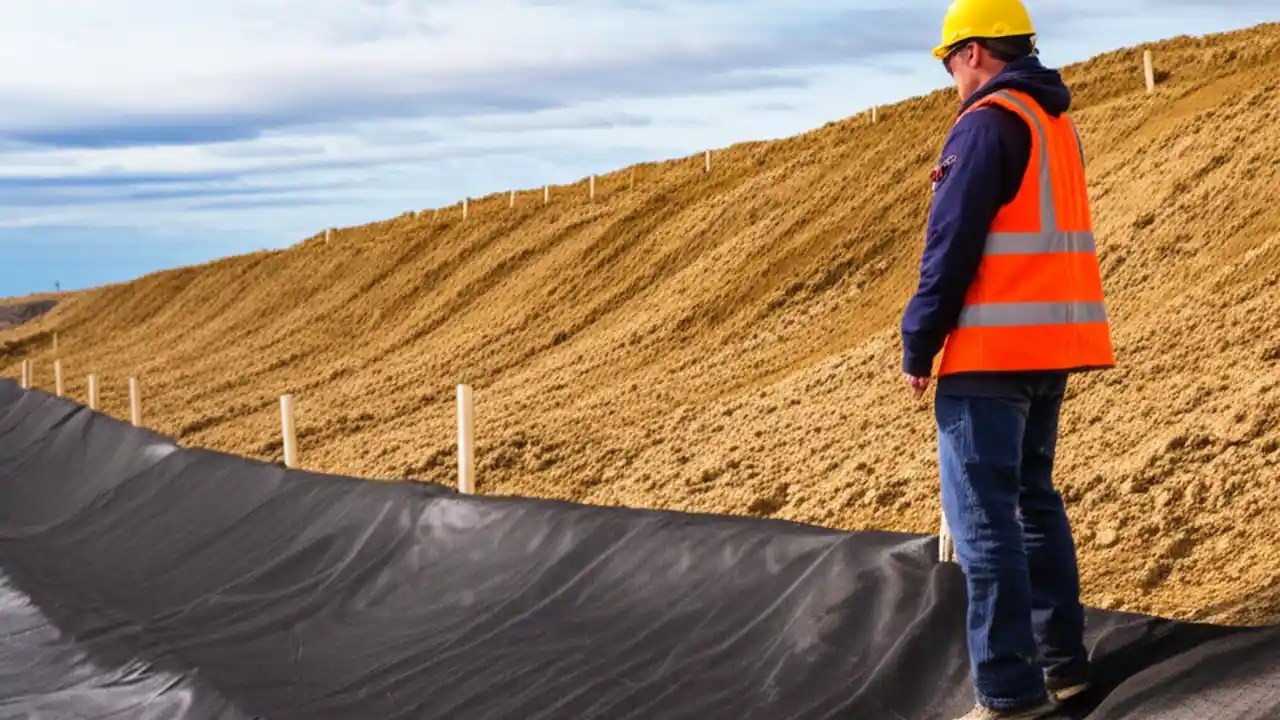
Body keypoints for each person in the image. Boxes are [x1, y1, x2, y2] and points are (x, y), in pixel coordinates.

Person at [900, 1, 1116, 718]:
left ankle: (1007, 694)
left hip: (990, 355)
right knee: (1034, 506)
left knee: (986, 525)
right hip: (1049, 348)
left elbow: (950, 243)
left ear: (973, 52)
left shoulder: (988, 124)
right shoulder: (1054, 122)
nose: (949, 76)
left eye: (948, 61)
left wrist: (918, 339)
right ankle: (1064, 668)